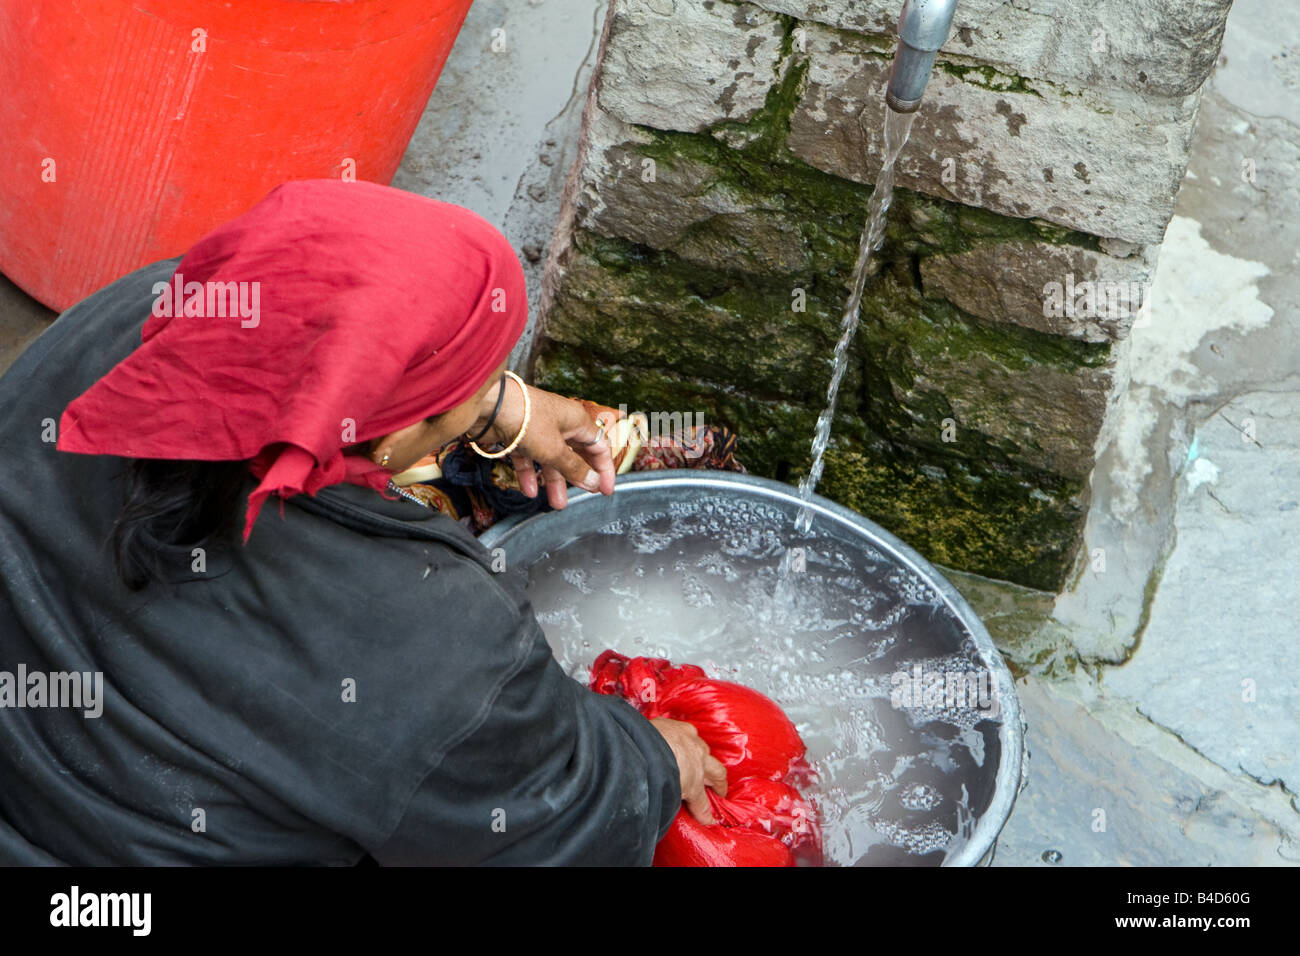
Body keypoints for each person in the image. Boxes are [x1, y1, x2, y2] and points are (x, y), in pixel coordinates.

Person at [0, 179, 725, 865]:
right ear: (382, 438)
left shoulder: (145, 319)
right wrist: (650, 763)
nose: (486, 402)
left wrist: (505, 407)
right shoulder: (439, 640)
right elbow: (547, 835)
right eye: (466, 396)